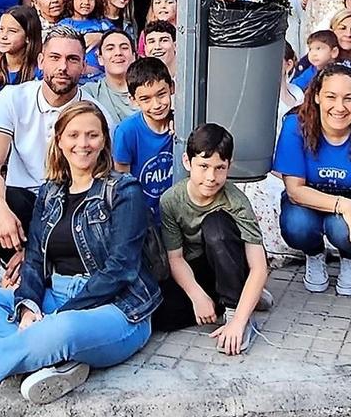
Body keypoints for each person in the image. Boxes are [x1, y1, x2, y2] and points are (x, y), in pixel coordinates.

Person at [0, 101, 159, 404]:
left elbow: (121, 268)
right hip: (57, 291)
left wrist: (56, 317)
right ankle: (51, 360)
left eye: (92, 136)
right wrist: (28, 306)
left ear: (104, 141)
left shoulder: (123, 190)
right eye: (74, 135)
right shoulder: (51, 191)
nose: (83, 144)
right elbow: (35, 259)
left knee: (64, 328)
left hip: (118, 307)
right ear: (60, 140)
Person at [274, 65, 351, 296]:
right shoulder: (295, 126)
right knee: (297, 225)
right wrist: (344, 205)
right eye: (331, 97)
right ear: (316, 96)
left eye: (349, 98)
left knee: (343, 229)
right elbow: (294, 190)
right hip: (308, 196)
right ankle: (313, 254)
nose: (340, 107)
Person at [153, 124, 269, 354]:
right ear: (187, 162)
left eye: (219, 168)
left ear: (229, 166)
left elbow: (259, 266)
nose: (211, 177)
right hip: (199, 267)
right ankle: (245, 296)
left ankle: (237, 310)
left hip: (233, 261)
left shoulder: (236, 201)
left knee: (215, 225)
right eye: (204, 166)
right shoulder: (171, 200)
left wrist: (237, 321)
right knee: (162, 315)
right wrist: (197, 295)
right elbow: (175, 258)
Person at [0, 28, 89, 257]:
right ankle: (17, 263)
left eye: (72, 59)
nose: (62, 67)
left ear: (84, 66)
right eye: (55, 58)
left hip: (70, 205)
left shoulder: (95, 114)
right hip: (24, 203)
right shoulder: (12, 97)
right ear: (41, 61)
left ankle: (30, 266)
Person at [111, 57, 178, 219]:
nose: (156, 105)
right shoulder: (127, 132)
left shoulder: (181, 124)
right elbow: (122, 183)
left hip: (178, 216)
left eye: (161, 94)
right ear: (133, 101)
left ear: (172, 88)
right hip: (143, 219)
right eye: (145, 99)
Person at [81, 28, 141, 124]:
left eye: (124, 48)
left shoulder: (148, 89)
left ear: (134, 56)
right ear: (100, 59)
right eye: (110, 48)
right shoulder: (89, 93)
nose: (118, 53)